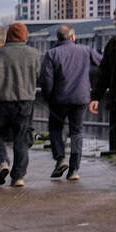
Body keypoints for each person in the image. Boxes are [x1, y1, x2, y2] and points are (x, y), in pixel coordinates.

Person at [39, 24, 99, 181]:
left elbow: (46, 80)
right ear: (73, 37)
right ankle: (73, 169)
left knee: (55, 129)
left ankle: (60, 159)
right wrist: (93, 85)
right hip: (81, 98)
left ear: (58, 38)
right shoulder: (86, 51)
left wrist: (48, 98)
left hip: (58, 99)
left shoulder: (51, 54)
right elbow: (101, 65)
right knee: (76, 132)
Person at [0, 22, 42, 186]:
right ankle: (18, 176)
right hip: (26, 102)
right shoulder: (34, 54)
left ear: (8, 35)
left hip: (3, 101)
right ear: (25, 36)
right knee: (21, 139)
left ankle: (2, 160)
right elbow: (39, 76)